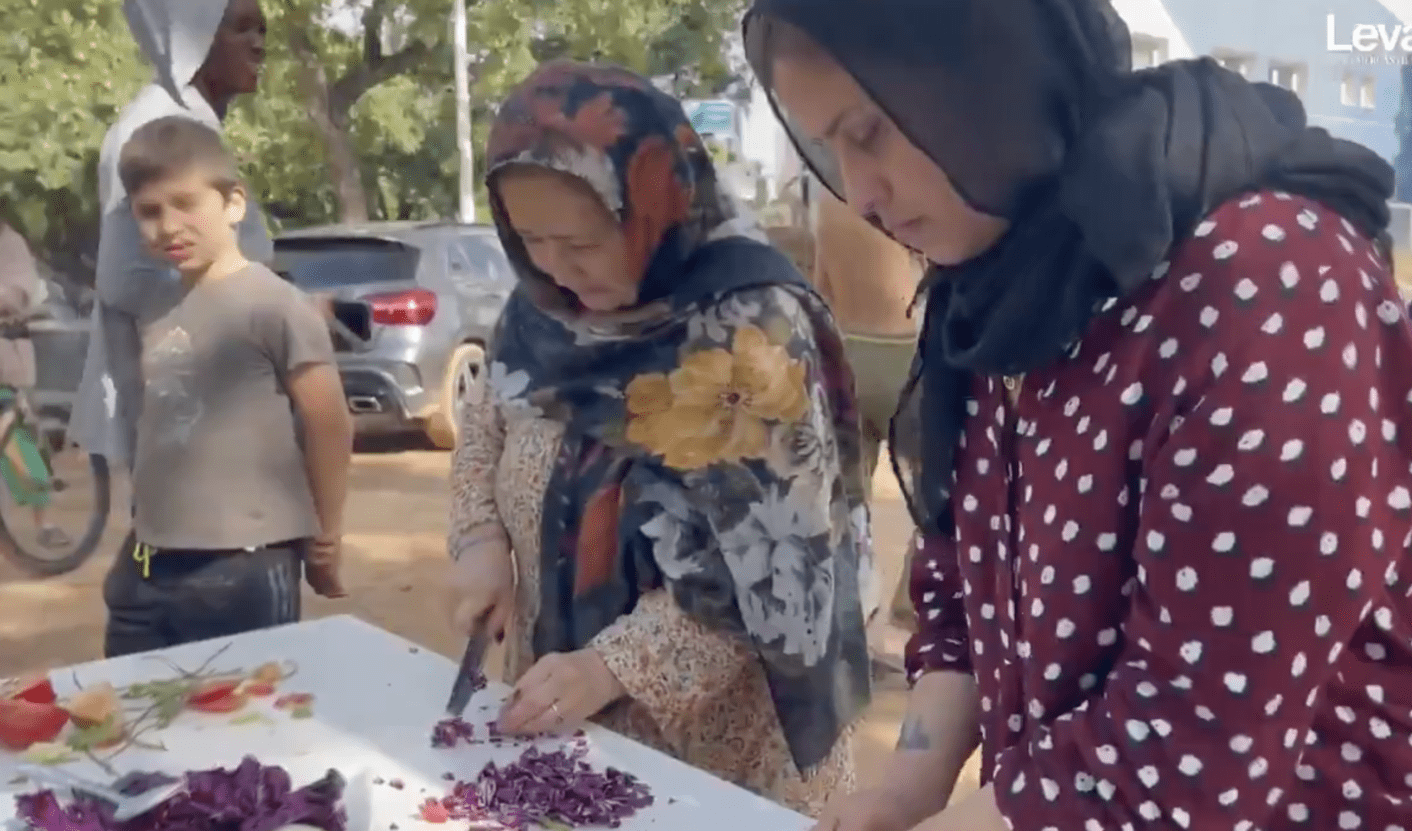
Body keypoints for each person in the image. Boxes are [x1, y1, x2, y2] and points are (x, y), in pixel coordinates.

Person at [744, 1, 1412, 829]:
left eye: (869, 131)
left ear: (985, 74)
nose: (860, 194)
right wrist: (904, 786)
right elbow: (959, 593)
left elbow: (1197, 727)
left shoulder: (1262, 279)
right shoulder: (995, 286)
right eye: (828, 150)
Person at [446, 60, 872, 813]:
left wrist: (612, 667)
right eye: (531, 238)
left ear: (654, 205)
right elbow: (485, 427)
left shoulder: (751, 326)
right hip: (563, 712)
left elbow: (779, 564)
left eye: (581, 241)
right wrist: (481, 539)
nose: (555, 267)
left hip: (724, 755)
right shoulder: (537, 310)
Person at [100, 116, 351, 657]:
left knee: (251, 719)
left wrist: (326, 534)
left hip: (247, 566)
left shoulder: (274, 304)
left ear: (234, 203)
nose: (168, 226)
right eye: (149, 212)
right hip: (149, 561)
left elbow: (328, 420)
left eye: (186, 203)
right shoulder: (155, 308)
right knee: (136, 716)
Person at [70, 0, 273, 469]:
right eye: (241, 28)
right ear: (194, 37)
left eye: (262, 30)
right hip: (177, 411)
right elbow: (125, 279)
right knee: (173, 539)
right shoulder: (158, 128)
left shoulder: (193, 123)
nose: (259, 45)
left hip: (205, 401)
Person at [809, 184, 924, 629]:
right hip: (901, 351)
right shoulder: (897, 192)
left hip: (847, 353)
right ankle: (913, 601)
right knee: (929, 487)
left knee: (849, 495)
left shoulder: (826, 205)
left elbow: (821, 290)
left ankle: (851, 603)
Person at [0, 223, 70, 550]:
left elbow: (18, 293)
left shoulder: (8, 242)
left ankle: (45, 524)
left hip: (5, 362)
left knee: (19, 444)